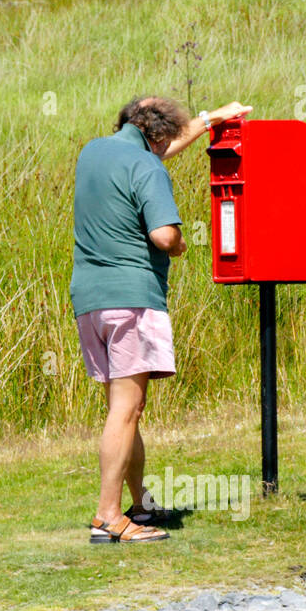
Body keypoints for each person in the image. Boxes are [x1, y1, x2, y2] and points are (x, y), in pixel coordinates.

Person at [71, 95, 251, 544]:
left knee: (127, 408)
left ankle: (140, 504)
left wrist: (210, 120)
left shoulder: (95, 152)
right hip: (131, 297)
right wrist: (179, 246)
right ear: (158, 137)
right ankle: (108, 517)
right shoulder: (149, 168)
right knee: (126, 409)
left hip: (90, 299)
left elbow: (153, 152)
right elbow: (162, 233)